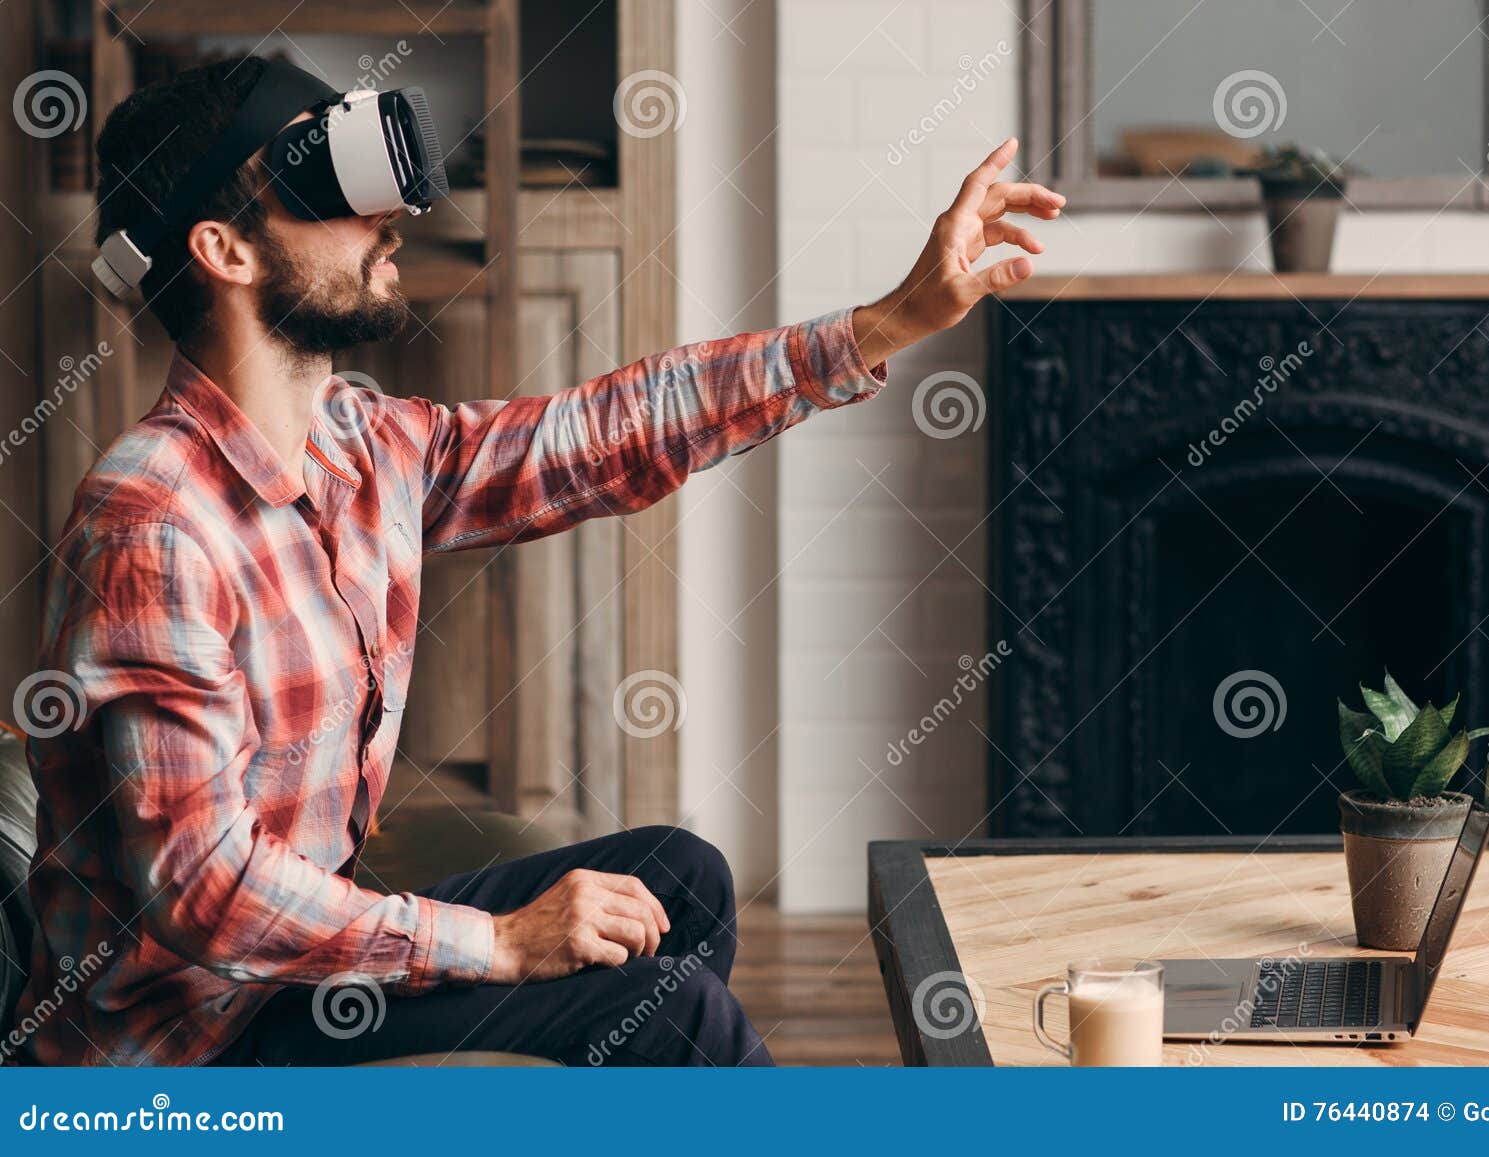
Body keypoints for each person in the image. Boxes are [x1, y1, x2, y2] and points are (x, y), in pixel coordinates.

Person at [13, 54, 1063, 1067]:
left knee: (676, 877)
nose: (390, 215)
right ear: (224, 251)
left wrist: (890, 320)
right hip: (195, 1048)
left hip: (282, 985)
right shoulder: (151, 521)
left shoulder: (361, 443)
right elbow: (205, 892)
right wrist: (504, 941)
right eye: (320, 182)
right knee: (669, 1007)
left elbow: (600, 433)